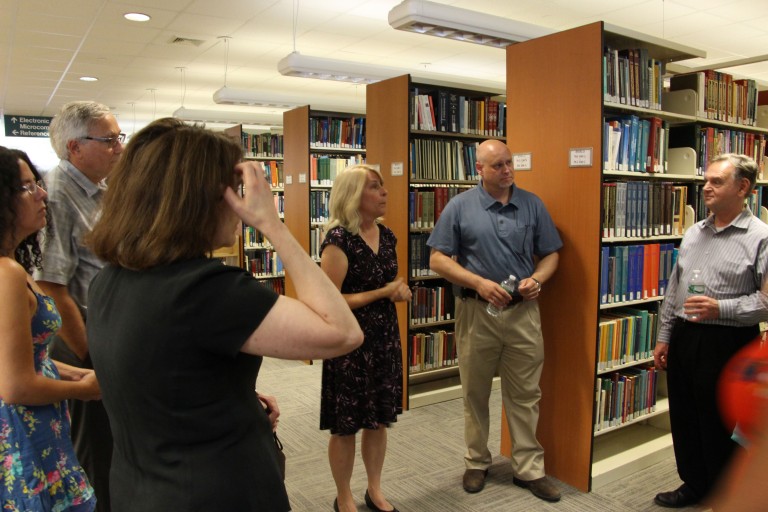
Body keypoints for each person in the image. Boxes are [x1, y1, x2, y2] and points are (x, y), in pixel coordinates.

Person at [84, 118, 363, 512]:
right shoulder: (208, 291)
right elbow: (343, 333)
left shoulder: (108, 281)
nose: (242, 201)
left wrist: (231, 397)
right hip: (217, 490)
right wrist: (272, 225)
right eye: (235, 189)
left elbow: (159, 371)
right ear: (200, 199)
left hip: (137, 487)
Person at [427, 139, 562, 502]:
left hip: (523, 313)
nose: (507, 171)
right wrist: (478, 283)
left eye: (509, 163)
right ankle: (476, 461)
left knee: (526, 394)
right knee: (475, 391)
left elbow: (550, 255)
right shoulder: (460, 207)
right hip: (476, 312)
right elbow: (437, 259)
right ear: (480, 170)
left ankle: (528, 468)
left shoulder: (532, 204)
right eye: (498, 166)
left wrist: (538, 278)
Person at [652, 153, 768, 508]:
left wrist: (723, 307)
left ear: (743, 188)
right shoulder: (693, 233)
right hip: (687, 337)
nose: (706, 187)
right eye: (706, 180)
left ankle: (728, 493)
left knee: (723, 422)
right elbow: (676, 288)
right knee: (685, 415)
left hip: (729, 341)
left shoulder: (760, 237)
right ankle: (695, 483)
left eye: (717, 181)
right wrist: (664, 336)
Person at [33, 101, 123, 512]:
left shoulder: (99, 192)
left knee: (114, 441)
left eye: (118, 138)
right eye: (109, 140)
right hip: (82, 337)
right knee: (95, 450)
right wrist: (90, 355)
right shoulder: (57, 195)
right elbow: (53, 286)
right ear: (75, 147)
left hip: (105, 328)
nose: (118, 148)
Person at [0, 146, 101, 510]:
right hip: (24, 430)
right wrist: (84, 389)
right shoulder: (7, 275)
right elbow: (15, 385)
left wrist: (76, 373)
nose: (42, 194)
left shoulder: (14, 264)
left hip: (37, 424)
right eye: (27, 188)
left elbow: (25, 358)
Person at [319, 164, 411, 512]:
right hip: (349, 341)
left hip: (384, 338)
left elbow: (389, 283)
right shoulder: (338, 241)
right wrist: (384, 292)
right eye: (375, 187)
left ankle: (375, 489)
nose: (384, 192)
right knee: (346, 426)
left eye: (382, 186)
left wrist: (397, 292)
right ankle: (344, 495)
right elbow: (330, 300)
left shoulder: (387, 236)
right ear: (353, 197)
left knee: (378, 419)